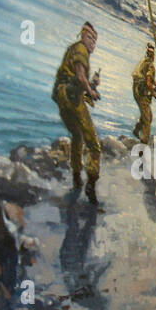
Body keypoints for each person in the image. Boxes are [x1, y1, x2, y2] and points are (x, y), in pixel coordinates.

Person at [51, 21, 102, 204]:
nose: (91, 43)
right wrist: (92, 91)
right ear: (82, 36)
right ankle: (91, 185)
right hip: (73, 99)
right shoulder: (81, 50)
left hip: (62, 97)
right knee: (94, 145)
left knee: (77, 136)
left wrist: (92, 84)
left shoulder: (73, 49)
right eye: (89, 38)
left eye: (94, 40)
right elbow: (80, 78)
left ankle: (76, 176)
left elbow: (78, 79)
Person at [132, 43, 156, 141]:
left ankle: (136, 129)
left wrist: (155, 83)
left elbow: (148, 78)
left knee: (148, 115)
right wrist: (154, 93)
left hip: (137, 90)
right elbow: (148, 82)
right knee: (147, 119)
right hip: (142, 93)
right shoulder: (150, 65)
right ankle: (144, 142)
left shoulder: (144, 62)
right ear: (153, 56)